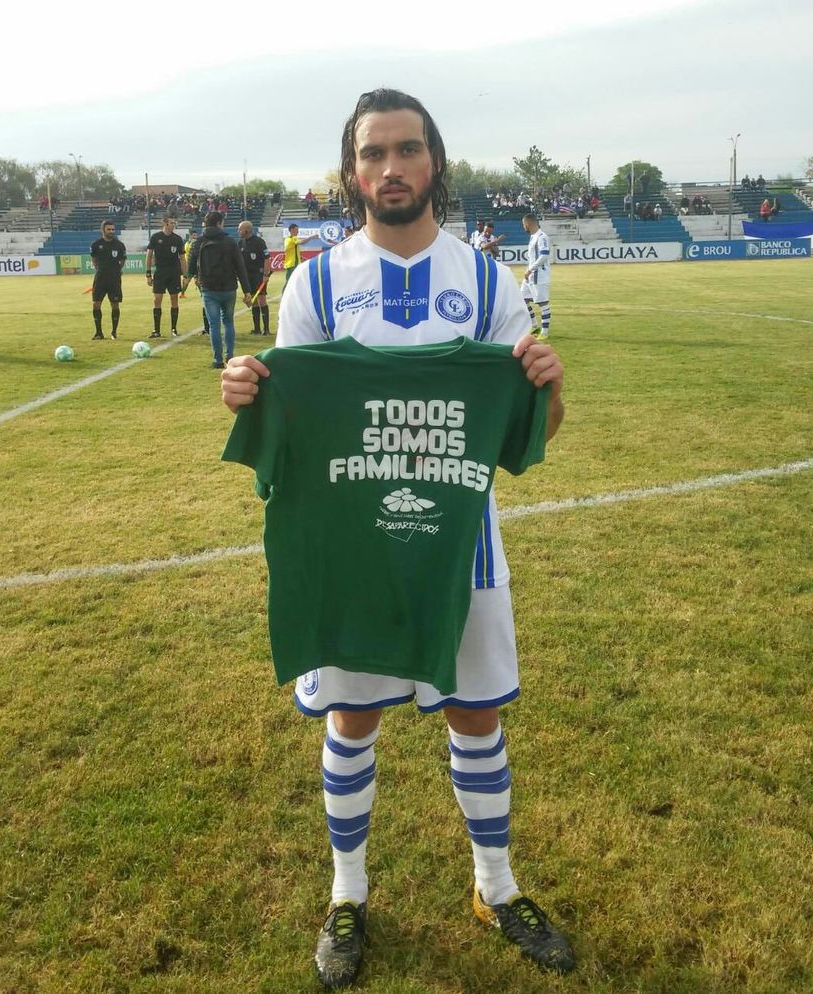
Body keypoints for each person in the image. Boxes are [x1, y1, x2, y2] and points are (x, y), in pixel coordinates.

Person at [220, 87, 573, 988]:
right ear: (351, 173)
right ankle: (348, 896)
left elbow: (527, 434)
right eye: (372, 154)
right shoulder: (316, 283)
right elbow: (288, 427)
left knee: (476, 712)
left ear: (433, 163)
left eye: (406, 150)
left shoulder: (492, 282)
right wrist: (248, 393)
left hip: (464, 544)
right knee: (352, 717)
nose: (389, 168)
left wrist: (544, 381)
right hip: (351, 544)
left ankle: (495, 887)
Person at [183, 211, 252, 368]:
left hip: (208, 289)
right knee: (228, 322)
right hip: (229, 288)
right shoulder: (230, 241)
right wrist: (247, 291)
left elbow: (191, 267)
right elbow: (240, 267)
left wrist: (188, 279)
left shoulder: (198, 242)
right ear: (219, 223)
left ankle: (217, 360)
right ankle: (230, 357)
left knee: (214, 325)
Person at [145, 217, 187, 338]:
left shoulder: (177, 239)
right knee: (157, 299)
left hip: (174, 273)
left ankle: (174, 329)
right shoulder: (156, 237)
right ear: (165, 223)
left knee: (174, 299)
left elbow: (182, 259)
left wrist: (185, 275)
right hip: (160, 273)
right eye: (172, 223)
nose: (173, 225)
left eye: (175, 222)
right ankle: (156, 330)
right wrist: (148, 274)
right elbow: (149, 255)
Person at [89, 220, 127, 340]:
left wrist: (116, 270)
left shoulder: (119, 245)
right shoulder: (96, 244)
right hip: (100, 278)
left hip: (114, 279)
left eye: (112, 229)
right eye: (109, 229)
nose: (111, 231)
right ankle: (99, 332)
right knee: (96, 304)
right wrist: (100, 269)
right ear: (103, 230)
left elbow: (122, 260)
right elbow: (94, 259)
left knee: (115, 305)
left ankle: (114, 332)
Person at [237, 220, 272, 335]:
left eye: (240, 229)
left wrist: (266, 275)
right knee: (254, 301)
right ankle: (257, 328)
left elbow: (267, 258)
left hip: (259, 276)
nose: (238, 231)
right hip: (247, 277)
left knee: (262, 300)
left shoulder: (259, 242)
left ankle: (266, 329)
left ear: (247, 230)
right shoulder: (240, 243)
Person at [521, 213, 551, 339]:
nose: (524, 227)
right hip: (530, 276)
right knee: (522, 299)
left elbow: (544, 255)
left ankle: (544, 332)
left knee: (543, 303)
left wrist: (530, 269)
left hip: (539, 275)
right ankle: (534, 325)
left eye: (524, 224)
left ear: (528, 223)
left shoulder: (541, 237)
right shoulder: (533, 237)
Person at [184, 230, 211, 337]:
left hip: (205, 277)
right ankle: (207, 328)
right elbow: (192, 260)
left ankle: (208, 328)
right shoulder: (191, 245)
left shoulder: (198, 244)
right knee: (205, 301)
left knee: (207, 301)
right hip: (200, 276)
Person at [283, 223, 315, 290]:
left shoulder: (290, 239)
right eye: (296, 230)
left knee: (295, 282)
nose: (298, 231)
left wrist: (300, 258)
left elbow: (292, 251)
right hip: (292, 265)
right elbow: (301, 242)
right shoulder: (291, 238)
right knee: (289, 282)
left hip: (295, 264)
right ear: (291, 230)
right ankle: (284, 296)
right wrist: (311, 237)